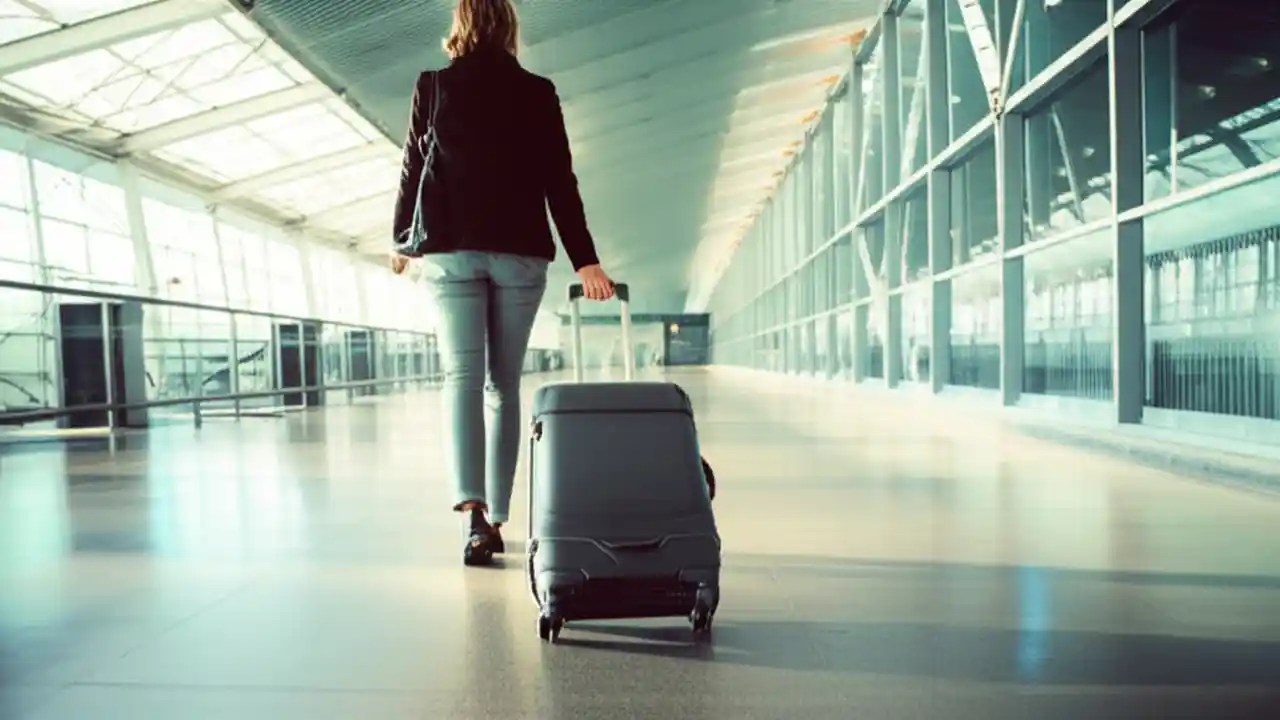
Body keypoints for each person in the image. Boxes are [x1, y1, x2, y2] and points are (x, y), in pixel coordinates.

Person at [391, 0, 614, 566]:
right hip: (519, 254)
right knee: (501, 385)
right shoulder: (538, 92)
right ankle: (498, 512)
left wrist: (400, 239)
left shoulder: (433, 86)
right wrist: (585, 259)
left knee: (461, 377)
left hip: (448, 250)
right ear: (510, 27)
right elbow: (559, 179)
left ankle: (473, 517)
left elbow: (413, 167)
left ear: (458, 26)